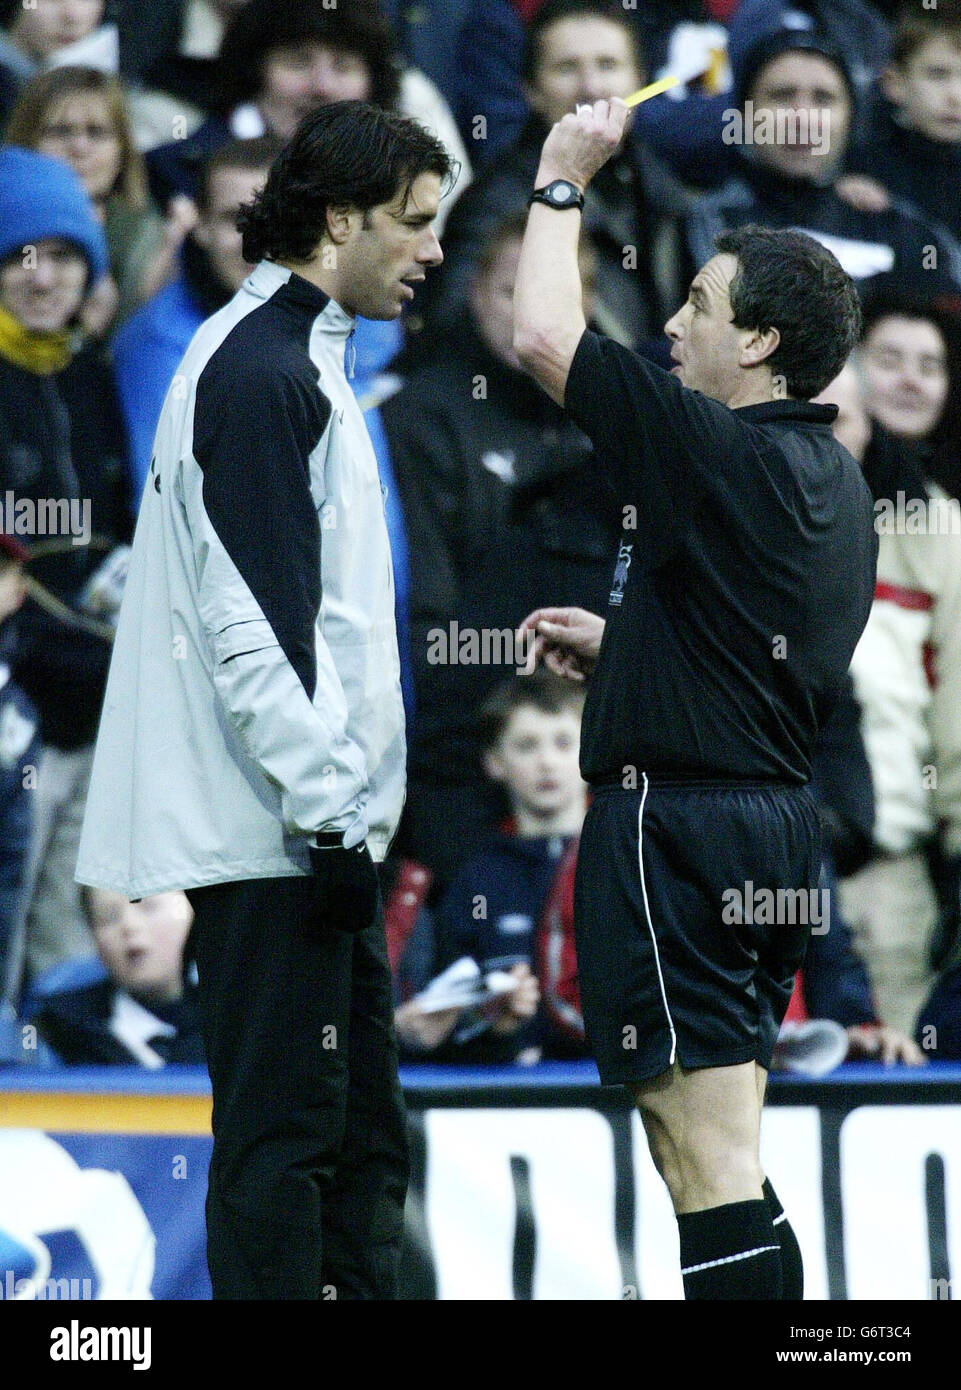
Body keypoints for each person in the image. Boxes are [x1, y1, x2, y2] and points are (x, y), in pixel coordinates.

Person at [75, 100, 453, 1301]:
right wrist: (335, 817)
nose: (432, 249)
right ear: (335, 220)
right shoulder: (260, 371)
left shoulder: (289, 360)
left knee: (350, 1149)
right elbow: (255, 635)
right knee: (287, 1149)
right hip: (282, 834)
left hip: (299, 825)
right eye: (412, 223)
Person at [512, 96, 876, 1299]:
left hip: (680, 833)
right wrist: (628, 648)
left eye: (700, 306)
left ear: (762, 344)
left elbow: (540, 337)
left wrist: (562, 176)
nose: (671, 322)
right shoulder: (836, 479)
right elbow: (750, 650)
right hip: (762, 827)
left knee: (709, 1158)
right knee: (704, 1154)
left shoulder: (716, 446)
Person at [383, 210, 617, 886]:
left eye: (556, 295)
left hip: (592, 744)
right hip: (461, 737)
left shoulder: (616, 414)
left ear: (589, 303)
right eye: (511, 293)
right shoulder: (421, 413)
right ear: (476, 292)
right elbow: (426, 613)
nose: (531, 317)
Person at [0, 146, 132, 1001]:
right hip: (25, 706)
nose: (44, 279)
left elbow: (111, 523)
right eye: (20, 256)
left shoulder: (88, 370)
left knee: (66, 937)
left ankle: (55, 1085)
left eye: (65, 256)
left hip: (102, 704)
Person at [423, 0, 692, 351]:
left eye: (608, 65)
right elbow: (453, 331)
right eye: (566, 68)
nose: (591, 87)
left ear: (640, 79)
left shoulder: (669, 192)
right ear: (530, 90)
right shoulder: (493, 205)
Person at [395, 670, 586, 1062]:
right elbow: (444, 1002)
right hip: (501, 1091)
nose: (547, 761)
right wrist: (492, 1021)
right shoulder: (477, 878)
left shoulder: (628, 862)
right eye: (527, 745)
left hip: (614, 1086)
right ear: (495, 762)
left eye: (564, 743)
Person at [687, 29, 961, 295]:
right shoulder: (708, 224)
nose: (803, 118)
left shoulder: (907, 231)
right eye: (782, 96)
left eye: (823, 99)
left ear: (851, 120)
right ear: (745, 114)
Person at [111, 134, 282, 501]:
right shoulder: (159, 348)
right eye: (236, 219)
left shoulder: (360, 323)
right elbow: (170, 509)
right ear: (199, 226)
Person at [5, 65, 195, 333]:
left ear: (123, 150)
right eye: (60, 132)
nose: (79, 148)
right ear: (26, 142)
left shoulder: (152, 232)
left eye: (96, 133)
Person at [33, 888, 204, 1066]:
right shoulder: (57, 1031)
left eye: (149, 907)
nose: (130, 926)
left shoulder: (228, 1021)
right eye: (109, 917)